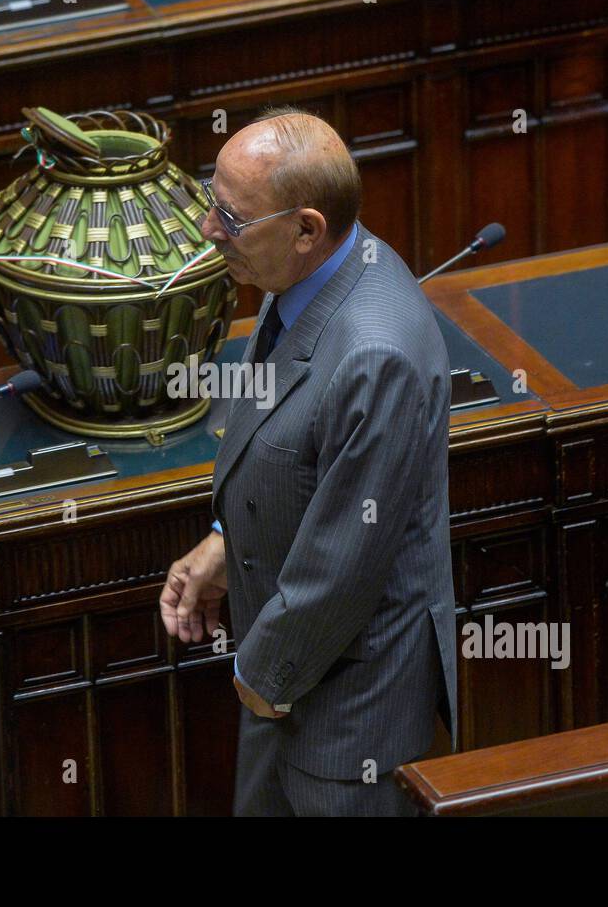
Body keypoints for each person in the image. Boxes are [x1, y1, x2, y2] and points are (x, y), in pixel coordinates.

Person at [159, 105, 458, 816]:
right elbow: (286, 443)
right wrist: (225, 544)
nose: (209, 230)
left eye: (230, 218)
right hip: (286, 677)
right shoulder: (304, 274)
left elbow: (344, 562)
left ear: (306, 229)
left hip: (351, 717)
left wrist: (262, 675)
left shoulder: (374, 354)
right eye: (212, 204)